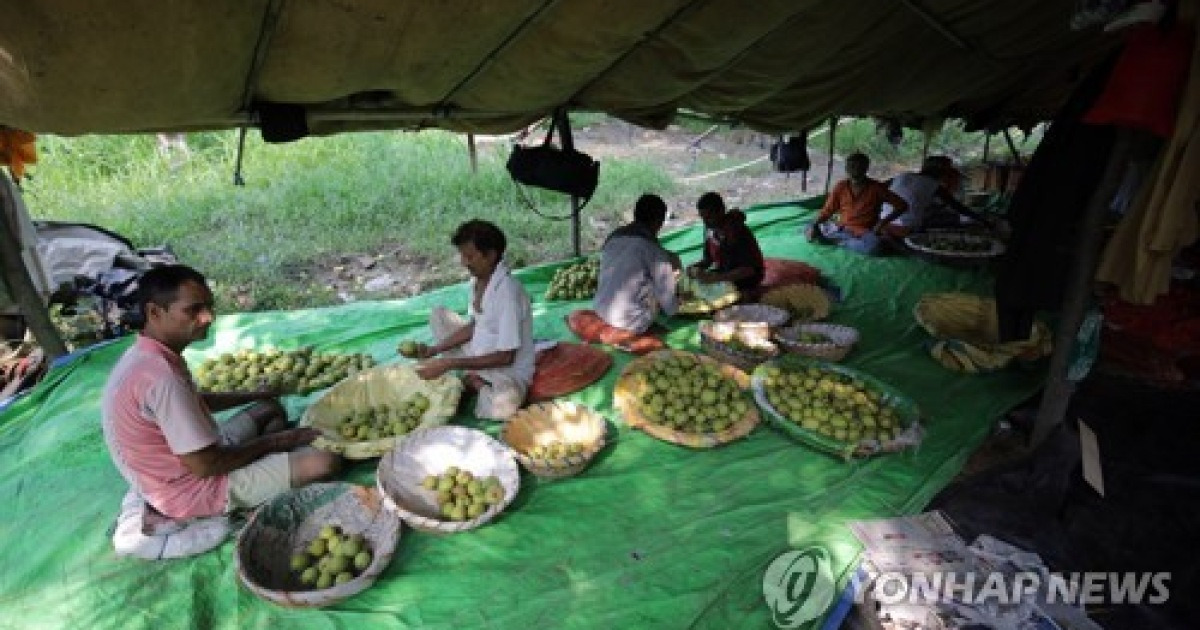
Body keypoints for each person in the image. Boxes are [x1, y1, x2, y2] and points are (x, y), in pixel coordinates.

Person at [101, 265, 339, 521]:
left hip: (178, 463)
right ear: (154, 312)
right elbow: (205, 466)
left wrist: (255, 395)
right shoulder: (162, 378)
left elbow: (194, 402)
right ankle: (252, 496)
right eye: (193, 310)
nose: (208, 317)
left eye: (208, 306)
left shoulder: (146, 355)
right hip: (189, 488)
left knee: (269, 408)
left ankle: (268, 470)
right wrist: (277, 441)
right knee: (326, 461)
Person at [408, 220, 535, 420]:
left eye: (469, 257)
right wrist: (435, 350)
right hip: (478, 352)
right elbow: (476, 326)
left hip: (505, 370)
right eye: (462, 256)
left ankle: (476, 383)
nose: (464, 263)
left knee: (504, 407)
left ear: (491, 255)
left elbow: (506, 357)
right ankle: (470, 375)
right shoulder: (478, 280)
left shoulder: (508, 293)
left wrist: (449, 363)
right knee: (438, 316)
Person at [807, 152, 910, 255]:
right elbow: (827, 211)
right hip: (841, 228)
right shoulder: (841, 186)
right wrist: (814, 225)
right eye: (851, 166)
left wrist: (882, 222)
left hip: (864, 231)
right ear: (846, 168)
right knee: (810, 226)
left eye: (858, 166)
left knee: (875, 247)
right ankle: (839, 239)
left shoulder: (876, 188)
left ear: (866, 168)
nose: (854, 169)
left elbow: (902, 205)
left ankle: (838, 241)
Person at [881, 155, 993, 233]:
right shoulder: (933, 185)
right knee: (960, 219)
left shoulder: (902, 176)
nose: (947, 173)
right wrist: (981, 219)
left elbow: (880, 188)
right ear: (941, 171)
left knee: (932, 212)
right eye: (947, 169)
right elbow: (958, 207)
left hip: (884, 220)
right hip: (907, 226)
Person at [687, 191, 766, 297]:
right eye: (703, 218)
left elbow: (749, 270)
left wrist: (715, 278)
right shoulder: (710, 229)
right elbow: (708, 260)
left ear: (722, 211)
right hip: (725, 273)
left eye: (709, 217)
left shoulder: (737, 231)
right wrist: (695, 268)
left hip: (747, 280)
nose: (706, 223)